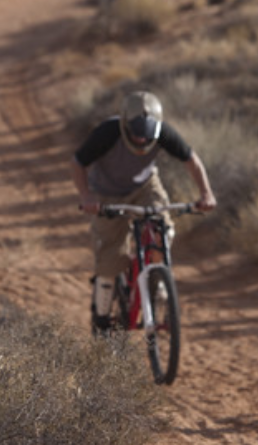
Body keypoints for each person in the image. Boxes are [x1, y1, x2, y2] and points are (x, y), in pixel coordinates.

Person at [72, 90, 217, 332]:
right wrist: (87, 197)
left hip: (145, 187)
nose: (141, 140)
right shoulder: (108, 132)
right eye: (136, 134)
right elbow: (78, 163)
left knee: (163, 229)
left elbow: (191, 160)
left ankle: (159, 283)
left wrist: (206, 193)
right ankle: (102, 316)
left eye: (146, 135)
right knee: (110, 260)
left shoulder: (163, 132)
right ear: (125, 123)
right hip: (107, 193)